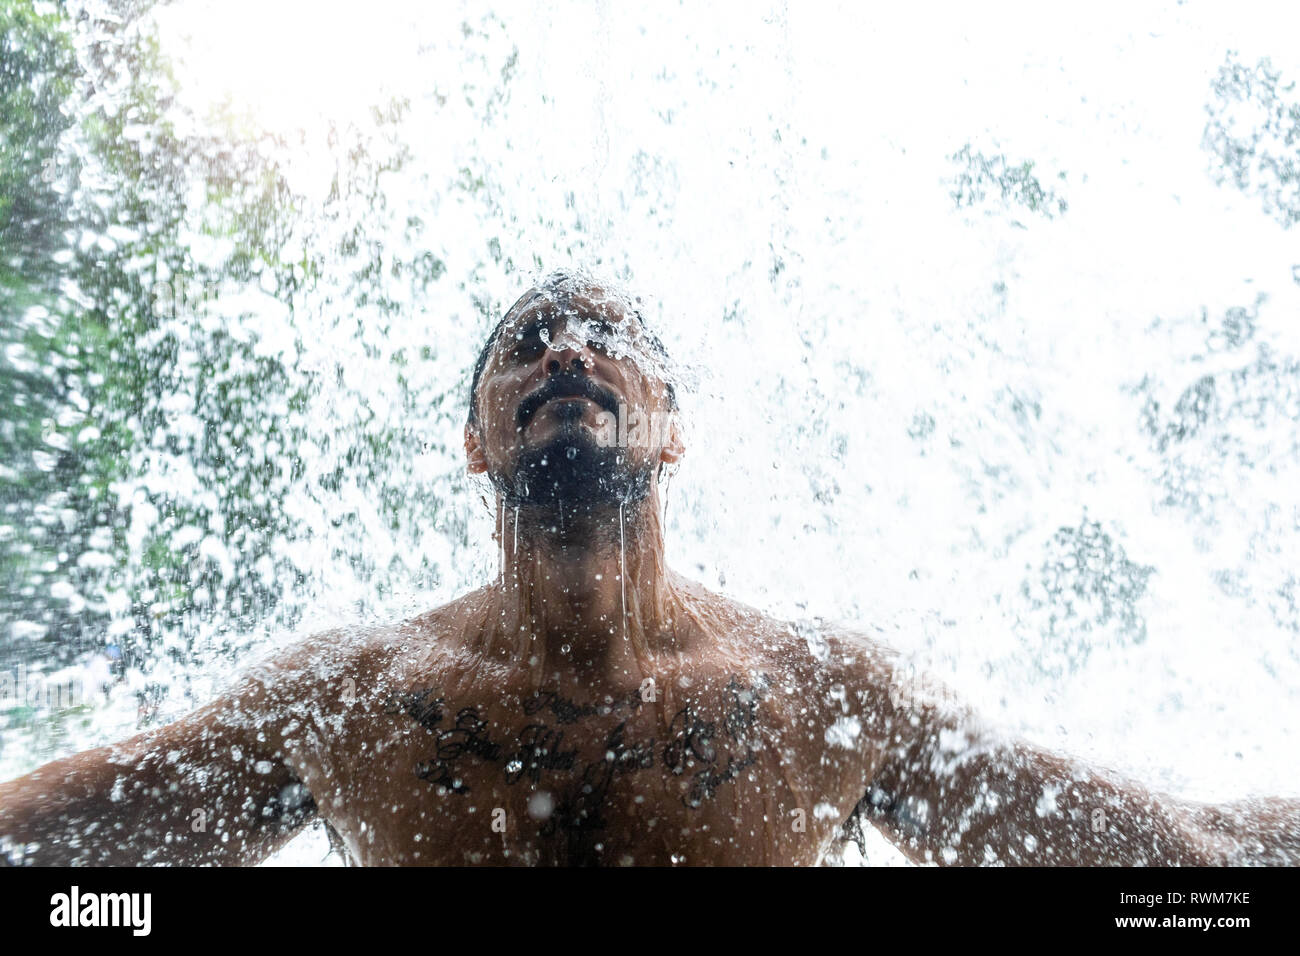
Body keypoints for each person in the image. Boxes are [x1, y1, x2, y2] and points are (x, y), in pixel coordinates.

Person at [2, 272, 1296, 866]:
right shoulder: (347, 701)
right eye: (530, 344)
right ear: (475, 441)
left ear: (671, 428)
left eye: (606, 339)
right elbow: (54, 839)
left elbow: (1176, 846)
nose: (568, 352)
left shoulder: (819, 697)